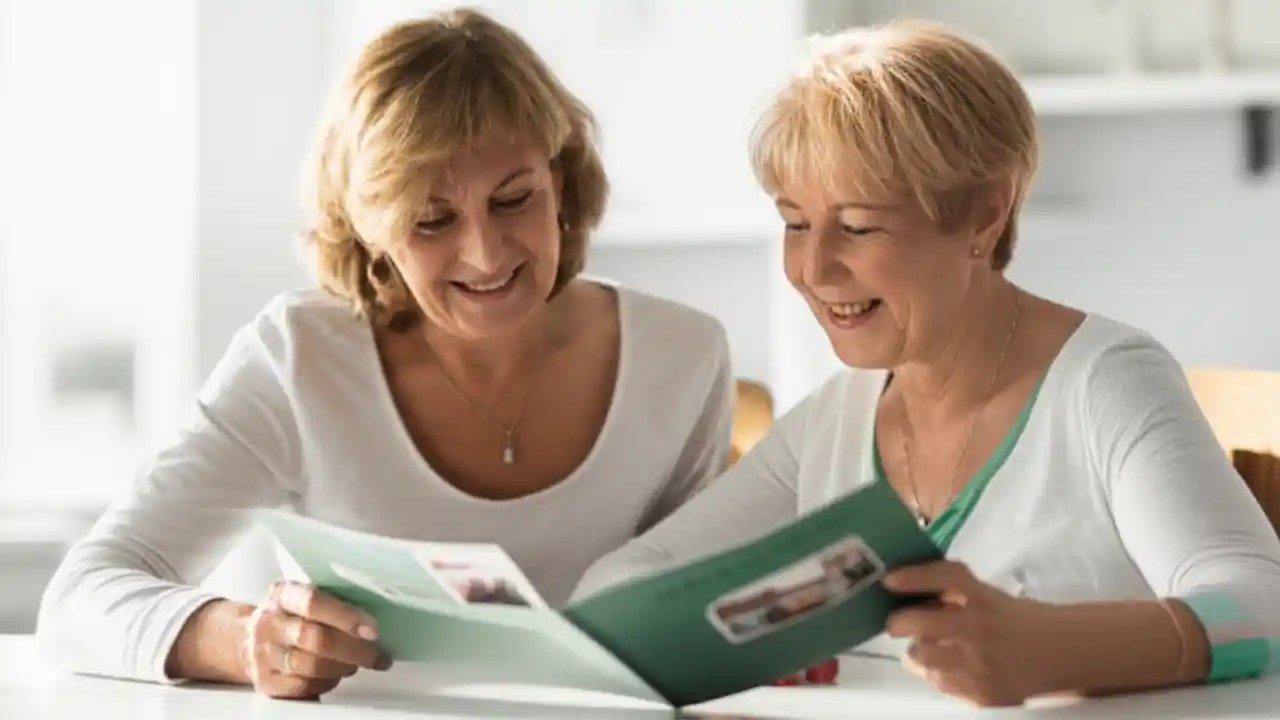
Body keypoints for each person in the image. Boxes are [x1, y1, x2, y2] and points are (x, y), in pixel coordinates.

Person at [573, 19, 1280, 707]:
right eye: (795, 223)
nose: (814, 268)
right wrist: (748, 636)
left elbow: (1261, 605)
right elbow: (622, 586)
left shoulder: (1107, 383)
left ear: (985, 216)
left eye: (858, 227)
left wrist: (1053, 648)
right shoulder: (834, 422)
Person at [36, 9, 731, 700]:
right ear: (371, 228)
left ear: (562, 186)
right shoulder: (299, 361)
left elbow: (701, 614)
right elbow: (80, 599)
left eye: (514, 200)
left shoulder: (682, 358)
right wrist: (248, 641)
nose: (485, 254)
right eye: (432, 220)